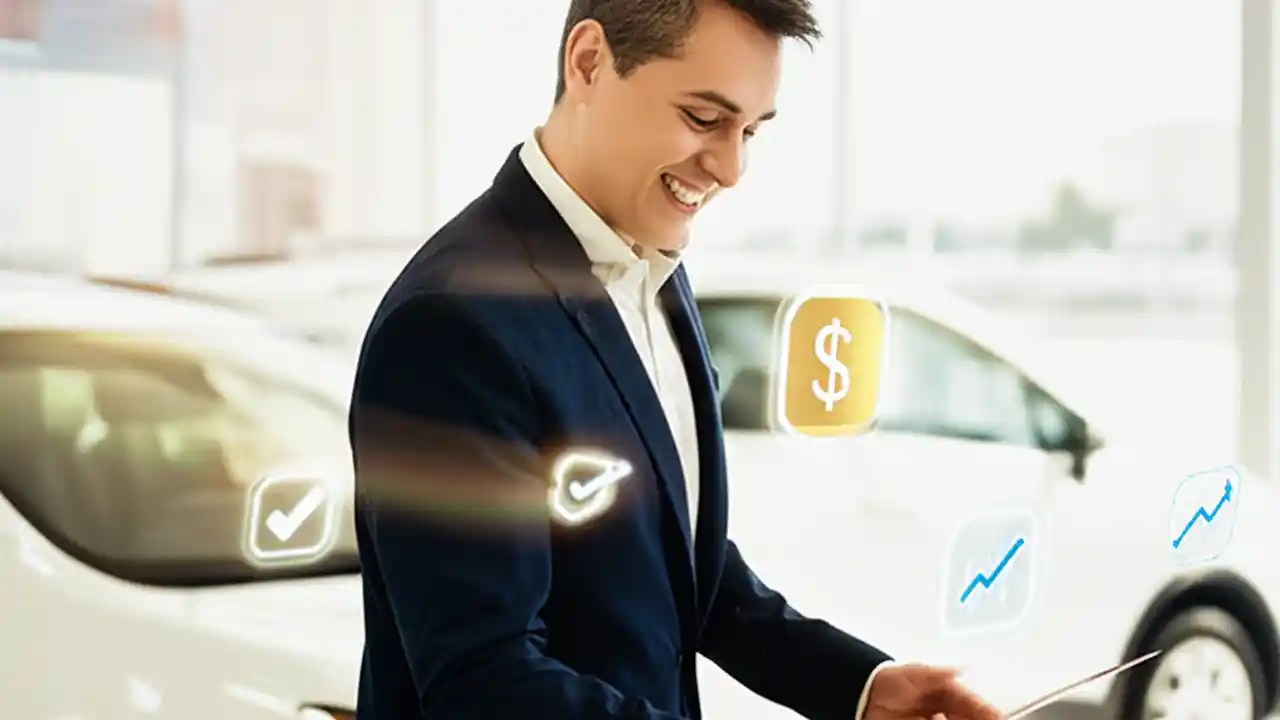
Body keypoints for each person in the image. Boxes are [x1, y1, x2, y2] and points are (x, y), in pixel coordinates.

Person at [348, 1, 1005, 718]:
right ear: (590, 62)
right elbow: (485, 681)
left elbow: (681, 559)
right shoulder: (451, 324)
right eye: (703, 119)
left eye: (751, 130)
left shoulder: (654, 267)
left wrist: (859, 687)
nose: (730, 168)